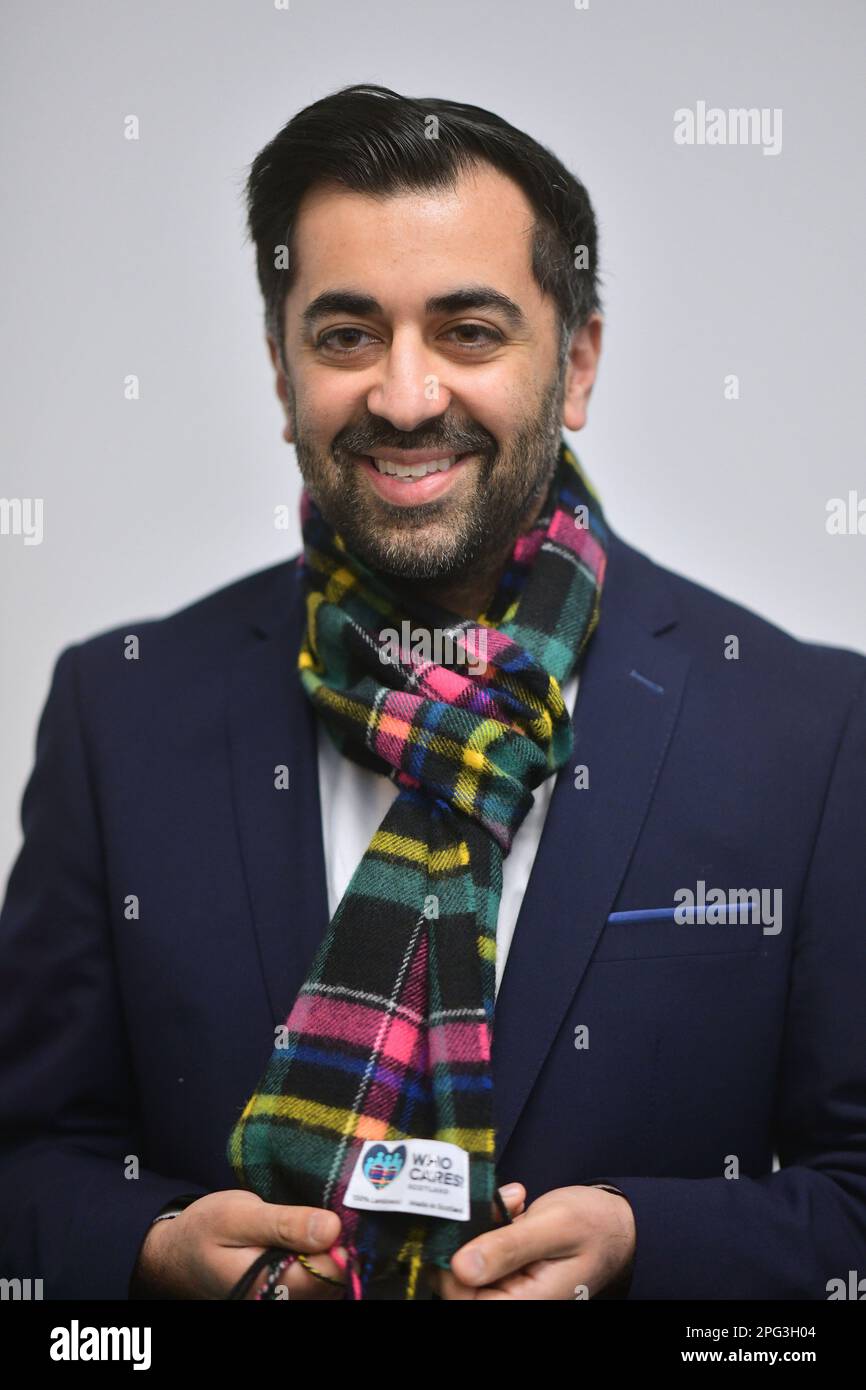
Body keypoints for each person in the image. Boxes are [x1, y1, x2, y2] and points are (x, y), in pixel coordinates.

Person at [1, 84, 864, 1301]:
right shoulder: (119, 713)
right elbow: (29, 1162)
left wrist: (642, 1253)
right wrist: (149, 1254)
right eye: (346, 334)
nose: (405, 397)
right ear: (279, 368)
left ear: (573, 364)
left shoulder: (805, 731)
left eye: (468, 330)